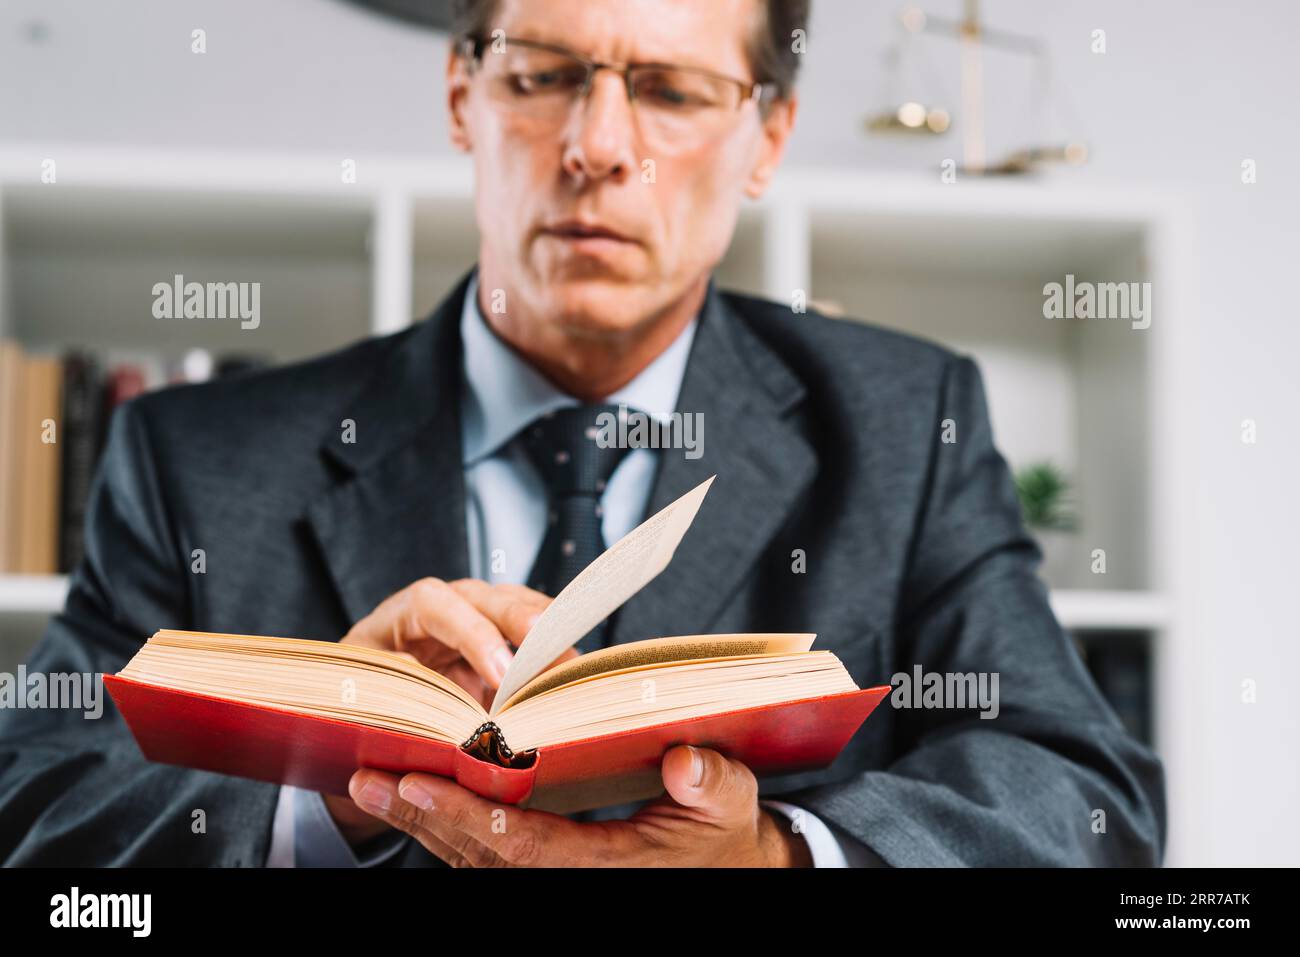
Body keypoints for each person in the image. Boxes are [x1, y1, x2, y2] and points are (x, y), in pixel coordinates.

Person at [0, 0, 1165, 867]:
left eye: (668, 90)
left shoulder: (911, 426)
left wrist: (778, 858)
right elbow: (35, 802)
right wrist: (335, 789)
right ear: (464, 97)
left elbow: (1085, 793)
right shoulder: (193, 457)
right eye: (545, 74)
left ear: (767, 137)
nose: (598, 146)